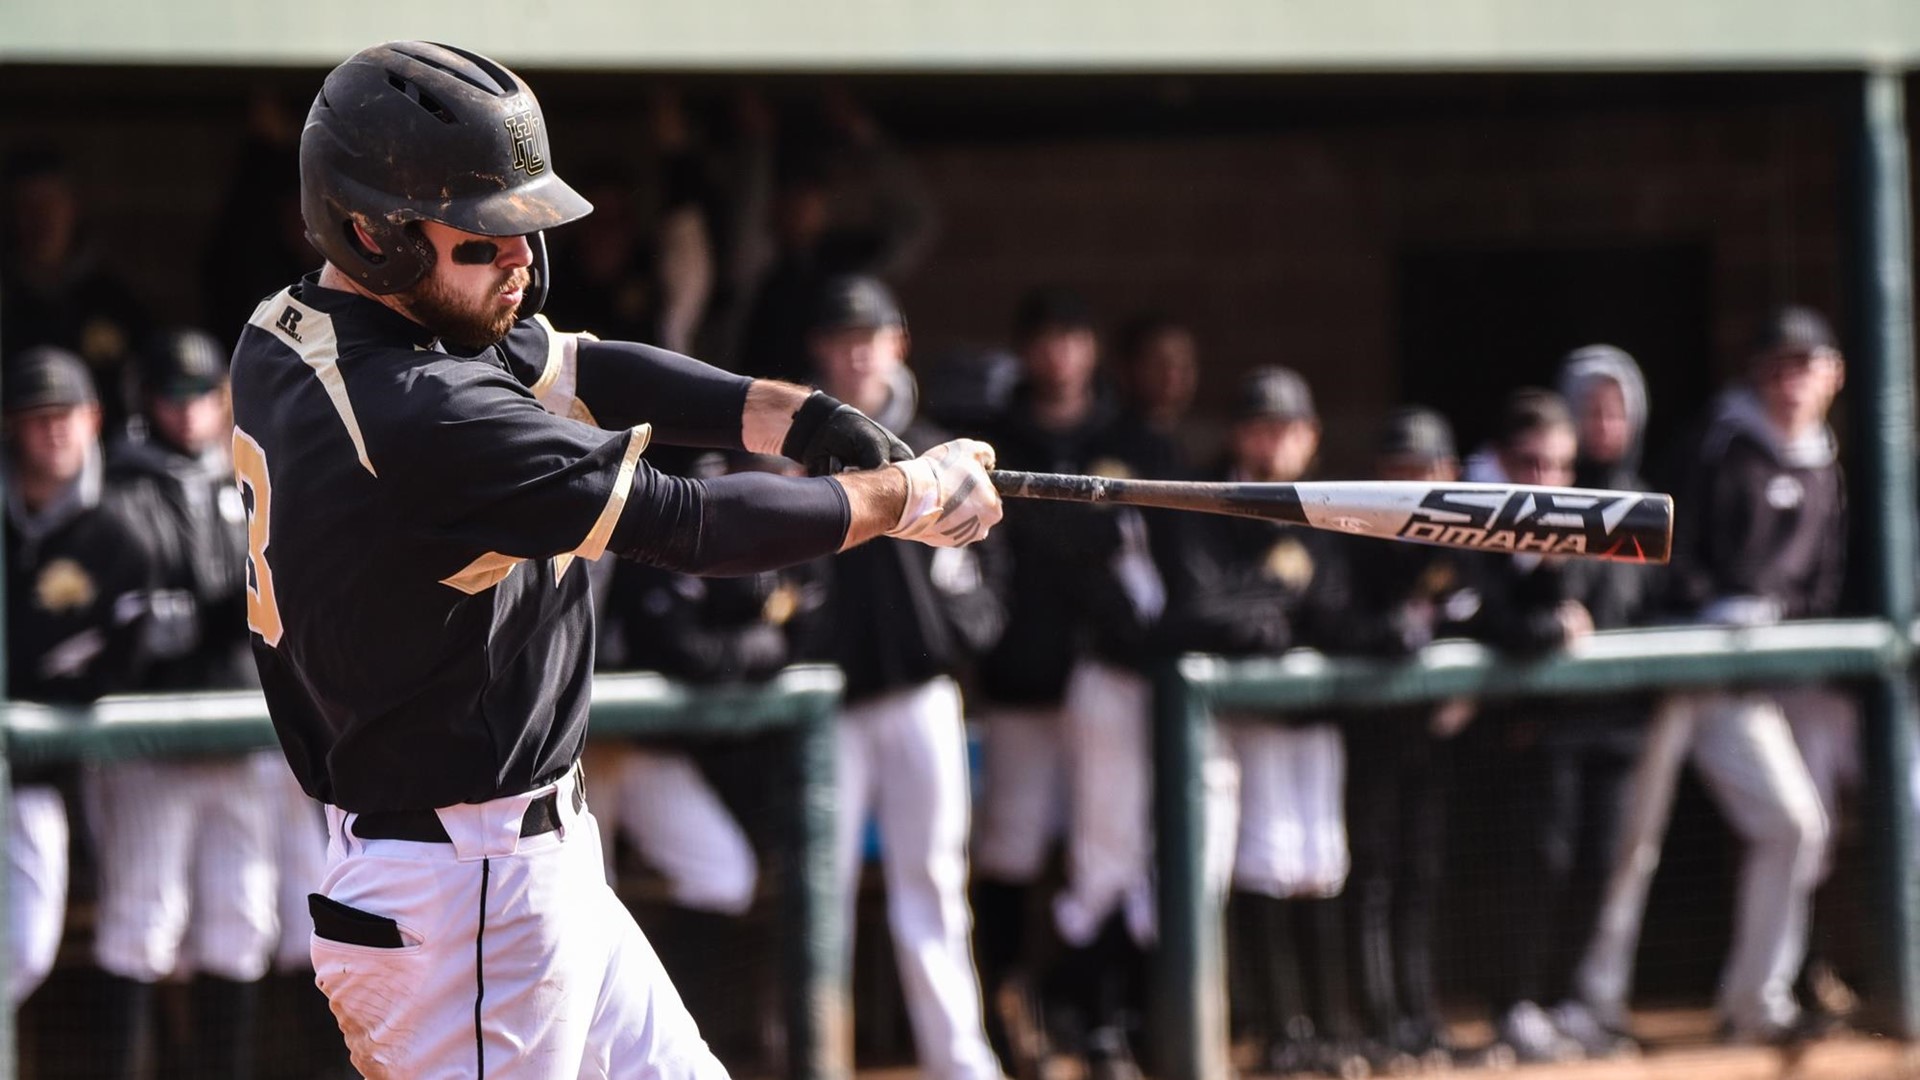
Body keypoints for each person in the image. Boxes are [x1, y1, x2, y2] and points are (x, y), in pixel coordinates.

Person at [230, 41, 1000, 1079]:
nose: (519, 265)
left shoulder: (300, 328)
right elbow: (695, 526)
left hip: (517, 866)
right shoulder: (423, 416)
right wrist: (900, 498)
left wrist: (803, 416)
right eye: (483, 242)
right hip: (467, 897)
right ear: (373, 232)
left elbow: (585, 365)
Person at [1572, 308, 1842, 1046]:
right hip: (1674, 660)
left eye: (1807, 366)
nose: (1792, 383)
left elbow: (1819, 585)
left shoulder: (1824, 462)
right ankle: (1593, 1000)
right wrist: (1707, 602)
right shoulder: (1717, 441)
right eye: (1780, 366)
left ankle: (1758, 1001)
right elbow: (1663, 545)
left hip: (1740, 678)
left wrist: (1771, 615)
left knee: (1795, 824)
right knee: (1634, 840)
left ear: (1833, 376)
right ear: (1756, 372)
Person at [797, 275, 1009, 1080]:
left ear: (899, 343)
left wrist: (967, 631)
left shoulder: (936, 445)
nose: (858, 353)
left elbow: (991, 572)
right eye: (843, 340)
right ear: (821, 350)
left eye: (871, 337)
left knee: (933, 882)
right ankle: (818, 1054)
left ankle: (960, 1064)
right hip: (831, 705)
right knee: (826, 886)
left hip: (923, 696)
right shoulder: (803, 448)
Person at [84, 326, 280, 1080]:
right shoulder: (119, 484)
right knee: (143, 925)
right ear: (145, 401)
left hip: (239, 732)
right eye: (175, 396)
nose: (190, 412)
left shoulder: (252, 475)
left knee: (242, 924)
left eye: (204, 395)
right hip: (151, 739)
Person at [1158, 367, 1362, 1078]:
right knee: (1261, 877)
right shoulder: (1212, 500)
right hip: (1237, 720)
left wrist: (1273, 608)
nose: (1278, 442)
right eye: (1265, 427)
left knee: (1319, 872)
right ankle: (1275, 1029)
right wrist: (1272, 602)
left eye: (1292, 429)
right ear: (1240, 434)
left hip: (1312, 716)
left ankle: (1326, 1028)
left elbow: (1335, 609)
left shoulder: (1331, 507)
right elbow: (1190, 611)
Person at [1461, 385, 1654, 1063]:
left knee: (1601, 865)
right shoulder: (1475, 522)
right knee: (1540, 863)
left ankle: (1569, 1001)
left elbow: (1615, 607)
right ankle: (1515, 1003)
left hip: (1608, 724)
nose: (1546, 480)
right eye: (1531, 464)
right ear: (1505, 462)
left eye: (1559, 467)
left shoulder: (1600, 517)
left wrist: (1560, 576)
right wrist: (1544, 613)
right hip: (1531, 731)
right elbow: (1482, 615)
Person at [2, 348, 156, 1007]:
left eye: (65, 415)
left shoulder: (121, 528)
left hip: (39, 773)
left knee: (26, 948)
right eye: (38, 417)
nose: (54, 431)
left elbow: (133, 651)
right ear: (11, 426)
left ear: (93, 419)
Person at [1339, 407, 1476, 1070]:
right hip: (1369, 733)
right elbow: (1337, 626)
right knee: (1371, 879)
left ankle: (1420, 1018)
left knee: (1421, 878)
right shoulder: (1356, 537)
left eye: (1423, 469)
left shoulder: (1460, 541)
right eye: (1399, 470)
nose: (1412, 481)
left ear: (1449, 473)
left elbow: (1480, 613)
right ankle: (1378, 1020)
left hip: (1432, 735)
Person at [1, 148, 150, 436]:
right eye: (26, 205)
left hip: (108, 461)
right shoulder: (7, 299)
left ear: (74, 207)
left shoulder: (112, 301)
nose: (40, 217)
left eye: (50, 202)